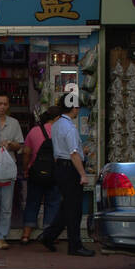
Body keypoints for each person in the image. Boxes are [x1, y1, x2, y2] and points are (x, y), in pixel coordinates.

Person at [39, 96, 94, 257]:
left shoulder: (56, 125)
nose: (78, 110)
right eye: (77, 107)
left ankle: (48, 236)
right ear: (73, 108)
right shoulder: (69, 127)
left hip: (61, 167)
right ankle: (75, 246)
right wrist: (82, 174)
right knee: (74, 209)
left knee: (67, 207)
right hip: (70, 169)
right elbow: (73, 153)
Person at [21, 106, 60, 244]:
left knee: (32, 201)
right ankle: (48, 235)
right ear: (57, 118)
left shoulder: (34, 131)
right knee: (52, 202)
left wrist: (25, 169)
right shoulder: (59, 132)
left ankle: (26, 234)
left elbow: (26, 152)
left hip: (36, 172)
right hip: (54, 173)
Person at [0, 91, 24, 249]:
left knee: (6, 205)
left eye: (5, 104)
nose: (2, 107)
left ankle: (1, 237)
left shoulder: (14, 123)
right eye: (0, 103)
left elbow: (20, 145)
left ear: (8, 106)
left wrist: (10, 144)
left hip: (8, 169)